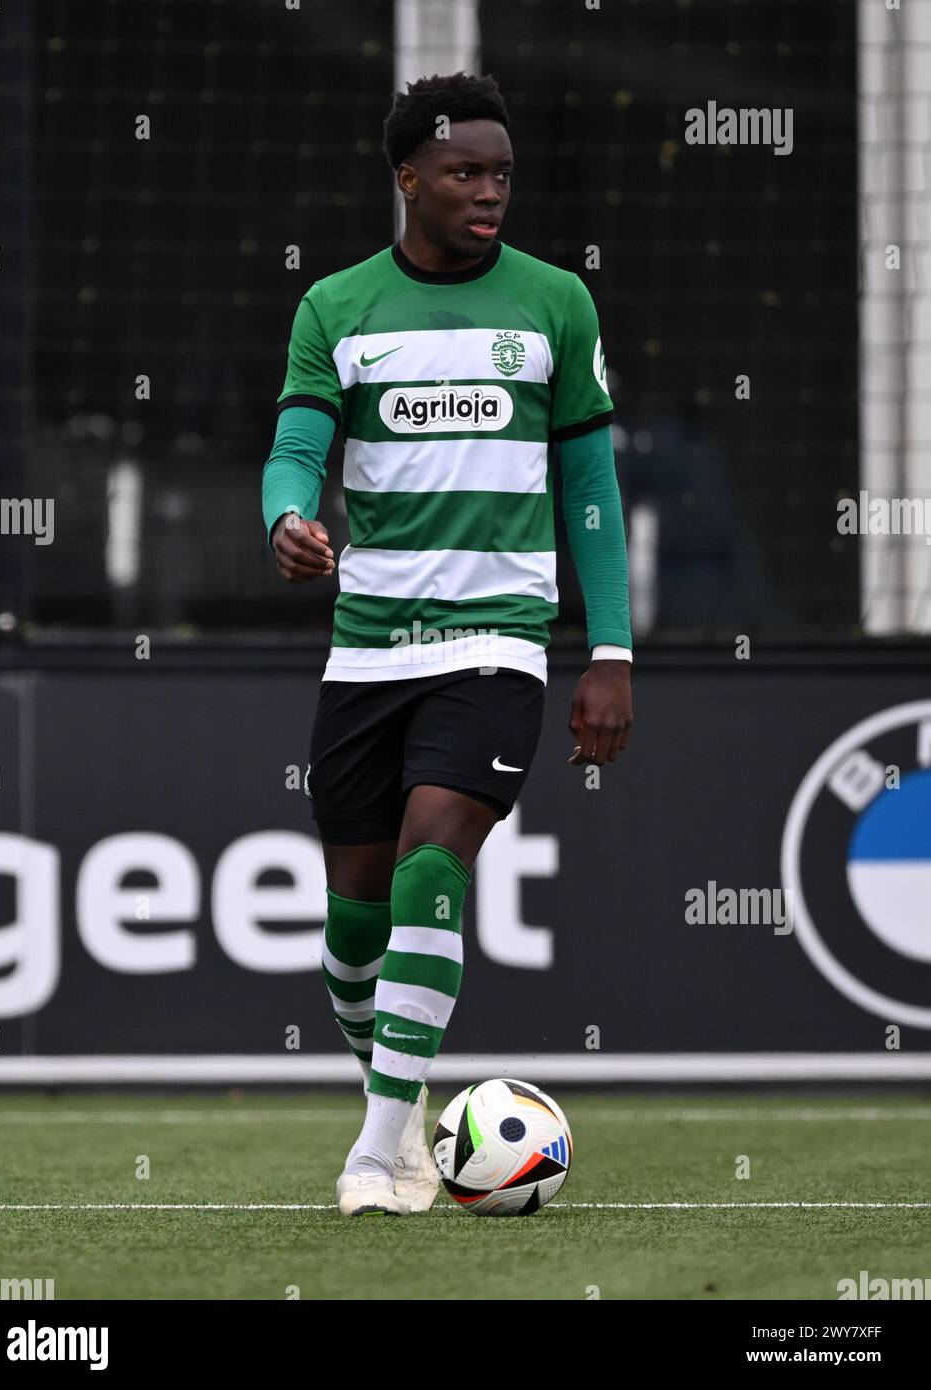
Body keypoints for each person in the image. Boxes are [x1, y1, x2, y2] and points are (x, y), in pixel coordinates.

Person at [262, 72, 632, 1215]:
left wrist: (607, 646)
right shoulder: (335, 306)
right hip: (368, 651)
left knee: (434, 862)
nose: (487, 192)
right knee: (351, 930)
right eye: (464, 172)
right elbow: (294, 445)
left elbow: (587, 484)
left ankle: (377, 1156)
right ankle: (403, 1099)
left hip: (496, 643)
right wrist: (284, 517)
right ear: (407, 178)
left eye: (502, 174)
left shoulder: (554, 304)